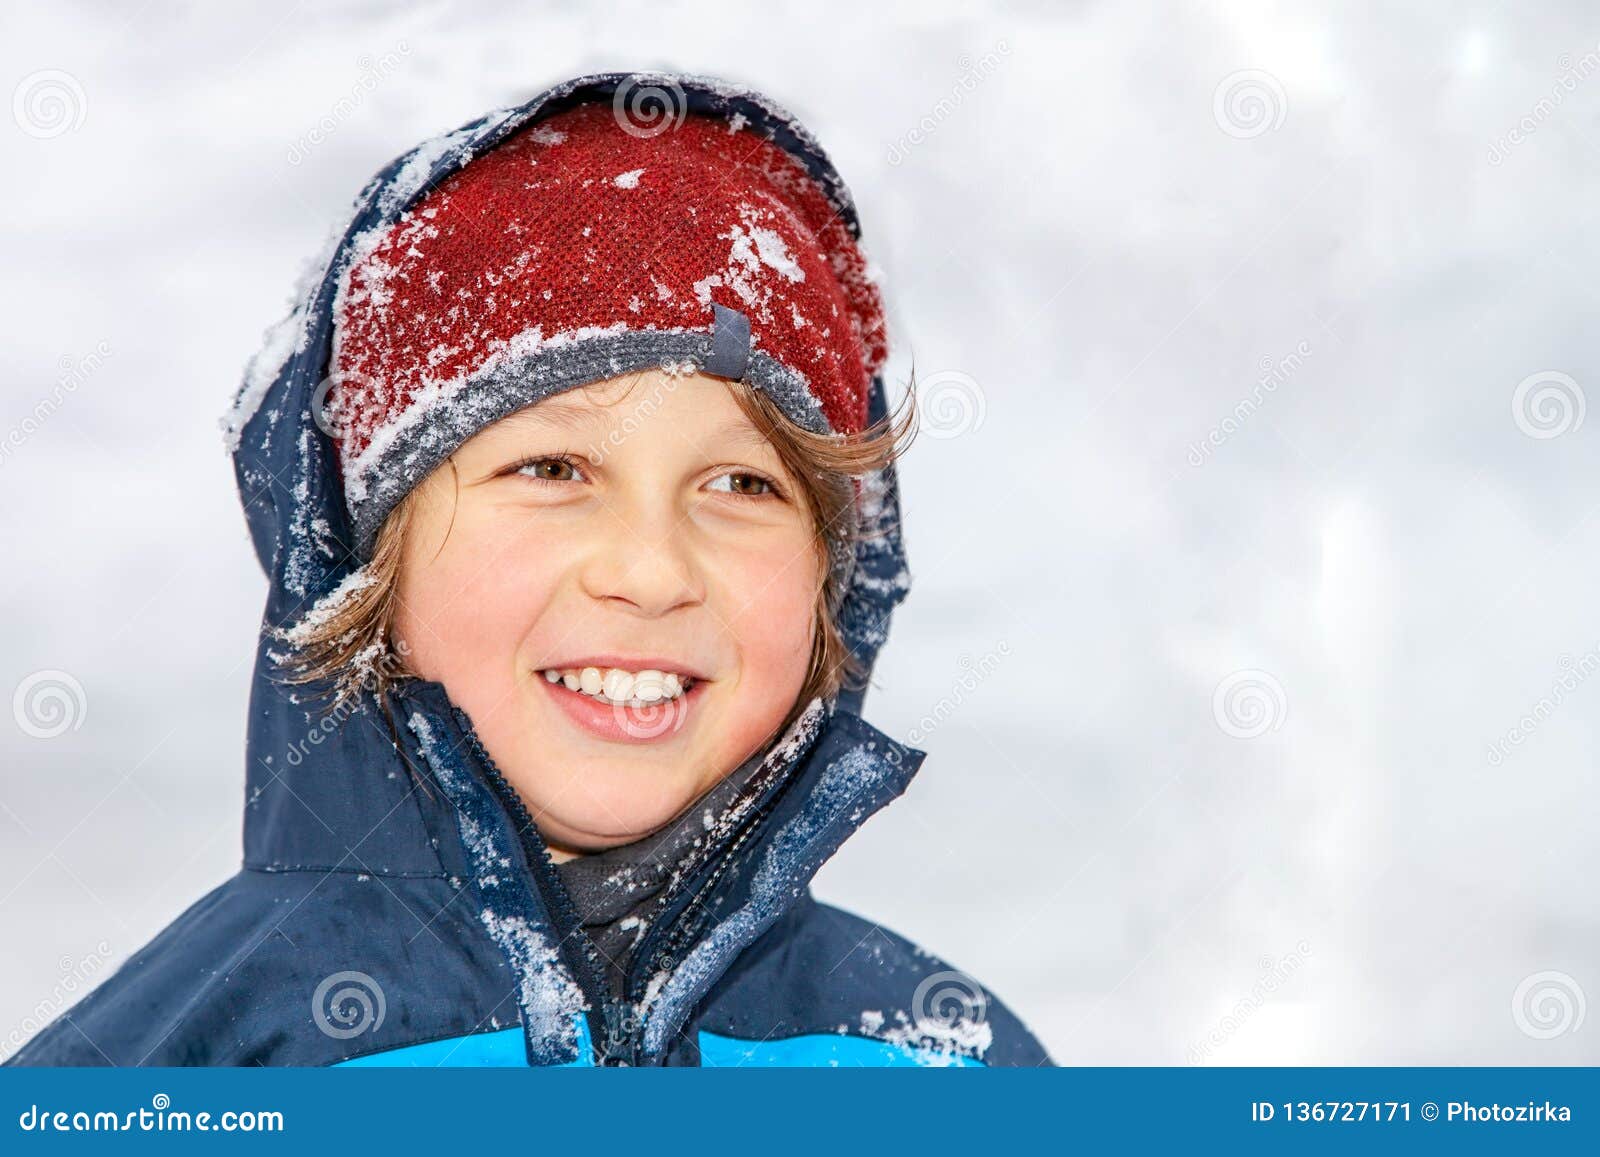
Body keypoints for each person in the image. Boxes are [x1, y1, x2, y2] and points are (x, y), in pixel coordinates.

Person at [8, 71, 1051, 1067]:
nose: (651, 570)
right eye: (553, 468)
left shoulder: (930, 1062)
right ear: (371, 562)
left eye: (742, 485)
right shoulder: (186, 1069)